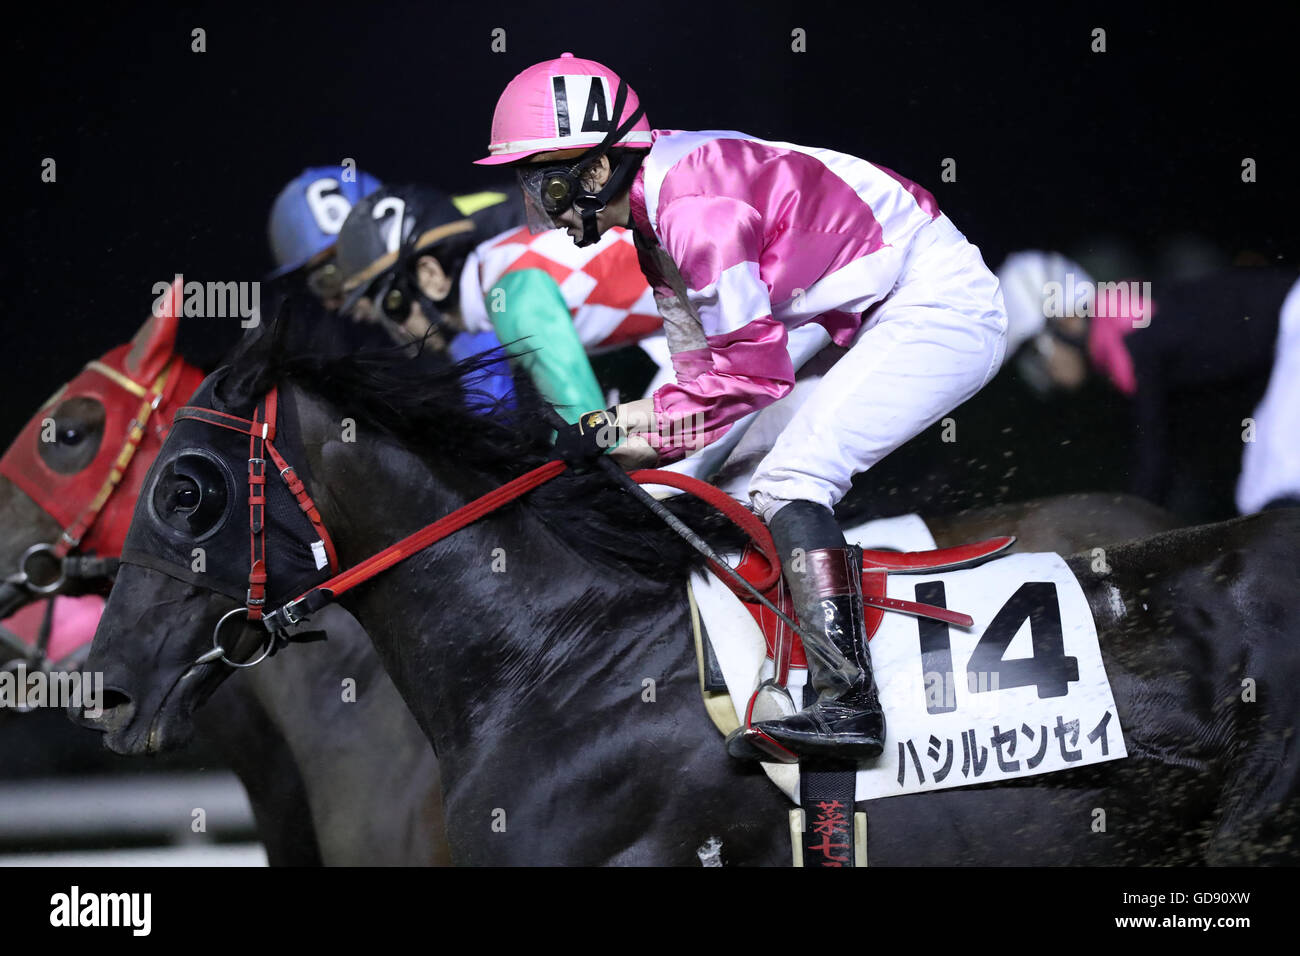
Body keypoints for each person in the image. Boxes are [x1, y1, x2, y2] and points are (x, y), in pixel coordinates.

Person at [475, 54, 1008, 760]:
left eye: (541, 176)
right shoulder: (652, 222)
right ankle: (772, 677)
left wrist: (623, 438)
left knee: (789, 481)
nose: (533, 200)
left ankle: (848, 702)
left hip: (933, 303)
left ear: (598, 169)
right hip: (859, 312)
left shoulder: (693, 214)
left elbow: (745, 381)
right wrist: (606, 430)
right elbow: (698, 379)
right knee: (712, 482)